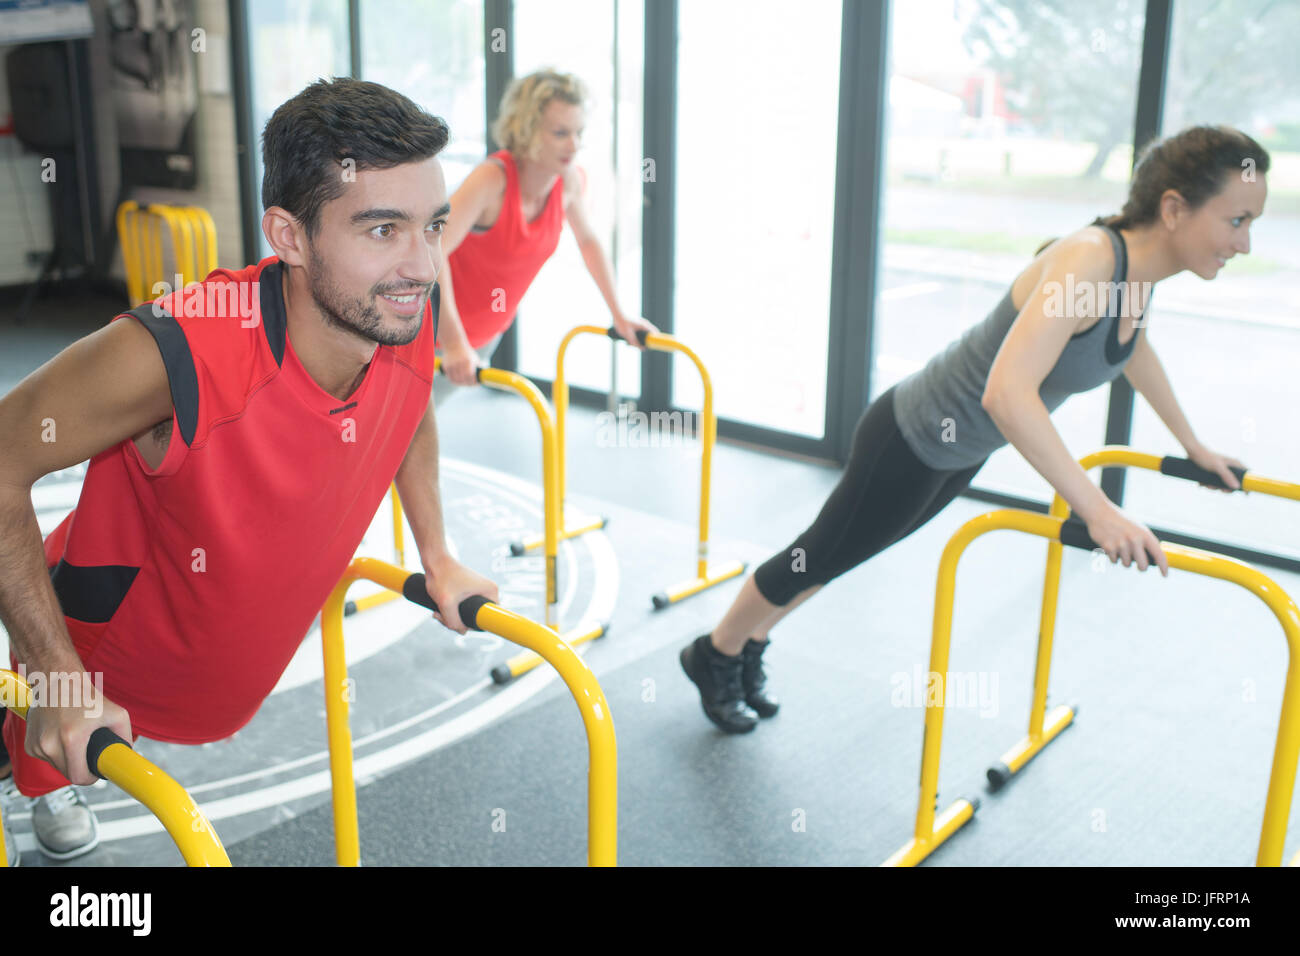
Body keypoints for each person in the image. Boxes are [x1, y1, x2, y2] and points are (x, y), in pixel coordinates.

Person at [0, 77, 498, 859]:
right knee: (39, 748)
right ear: (290, 237)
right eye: (381, 230)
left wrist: (436, 553)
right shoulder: (180, 349)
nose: (422, 264)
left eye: (431, 225)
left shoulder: (401, 310)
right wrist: (58, 682)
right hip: (114, 650)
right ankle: (30, 767)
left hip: (232, 658)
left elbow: (410, 411)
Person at [681, 125, 1268, 733]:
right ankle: (715, 651)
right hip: (908, 440)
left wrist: (1192, 446)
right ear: (1174, 208)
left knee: (841, 554)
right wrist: (1095, 508)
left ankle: (748, 643)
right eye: (1236, 220)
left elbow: (1131, 352)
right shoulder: (1091, 260)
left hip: (959, 451)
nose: (1245, 243)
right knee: (814, 555)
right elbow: (1007, 394)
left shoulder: (1138, 276)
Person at [432, 68, 655, 406]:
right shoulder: (492, 180)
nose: (574, 145)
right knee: (401, 440)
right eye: (560, 132)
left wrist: (619, 314)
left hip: (484, 334)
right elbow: (434, 250)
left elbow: (589, 242)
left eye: (578, 132)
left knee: (416, 435)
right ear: (527, 129)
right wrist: (452, 342)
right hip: (433, 333)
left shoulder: (568, 181)